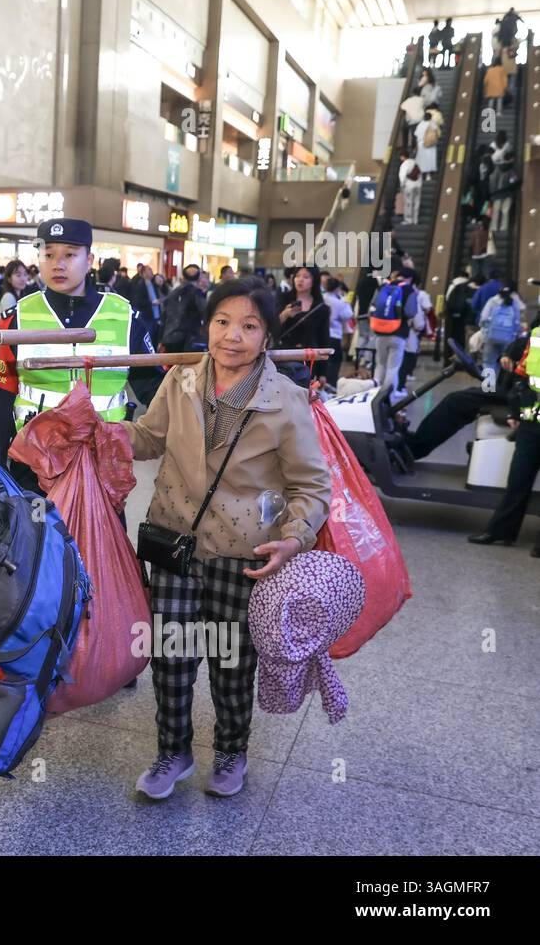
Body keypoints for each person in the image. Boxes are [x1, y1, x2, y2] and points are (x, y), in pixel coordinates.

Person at [125, 276, 330, 800]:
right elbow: (149, 437)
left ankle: (231, 752)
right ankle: (172, 752)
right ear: (207, 325)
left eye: (249, 325)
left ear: (266, 338)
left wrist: (294, 538)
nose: (231, 335)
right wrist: (98, 430)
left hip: (246, 552)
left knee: (232, 662)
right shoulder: (180, 380)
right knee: (170, 656)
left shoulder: (285, 400)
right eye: (222, 321)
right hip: (173, 539)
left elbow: (310, 485)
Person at [0, 218, 161, 467]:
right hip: (32, 464)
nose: (58, 264)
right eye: (49, 255)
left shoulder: (124, 317)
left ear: (89, 260)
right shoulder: (16, 318)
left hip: (105, 462)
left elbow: (155, 390)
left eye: (69, 254)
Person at [468, 324, 539, 555]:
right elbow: (524, 378)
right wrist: (516, 412)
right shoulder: (537, 335)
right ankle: (501, 530)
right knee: (518, 479)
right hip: (531, 422)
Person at [404, 335, 529, 461]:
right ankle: (415, 443)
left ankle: (414, 449)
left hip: (524, 396)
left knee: (456, 401)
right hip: (517, 391)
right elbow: (524, 342)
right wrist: (508, 354)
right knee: (465, 397)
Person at [370, 268, 423, 394]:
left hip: (380, 331)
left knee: (380, 364)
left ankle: (375, 392)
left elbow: (373, 305)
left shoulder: (383, 286)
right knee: (393, 366)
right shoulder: (409, 289)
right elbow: (411, 312)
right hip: (398, 332)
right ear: (410, 279)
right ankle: (390, 393)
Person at [277, 266, 332, 385]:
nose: (300, 280)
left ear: (314, 281)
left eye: (306, 277)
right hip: (283, 359)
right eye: (297, 276)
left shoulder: (321, 308)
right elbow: (270, 328)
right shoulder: (283, 299)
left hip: (309, 362)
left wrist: (323, 373)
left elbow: (324, 339)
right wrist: (285, 315)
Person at [159, 264, 209, 353]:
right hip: (188, 339)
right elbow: (206, 312)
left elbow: (164, 315)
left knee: (172, 366)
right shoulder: (197, 294)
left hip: (169, 337)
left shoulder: (173, 293)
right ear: (198, 278)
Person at [479, 281, 526, 374]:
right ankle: (501, 385)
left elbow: (483, 318)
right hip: (508, 339)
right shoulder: (514, 303)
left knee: (489, 362)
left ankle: (489, 386)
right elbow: (517, 322)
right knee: (506, 362)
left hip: (490, 337)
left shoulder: (492, 301)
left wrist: (484, 331)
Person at [322, 276, 354, 387]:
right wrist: (346, 301)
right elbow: (348, 315)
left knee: (323, 360)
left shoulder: (321, 298)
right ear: (337, 288)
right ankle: (331, 383)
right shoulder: (339, 302)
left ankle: (321, 383)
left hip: (321, 333)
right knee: (335, 360)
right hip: (334, 334)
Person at [443, 270, 474, 357]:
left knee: (451, 335)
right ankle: (462, 354)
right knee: (462, 336)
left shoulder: (452, 285)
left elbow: (447, 298)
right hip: (465, 315)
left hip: (451, 314)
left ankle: (450, 354)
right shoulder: (467, 287)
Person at [130, 262, 164, 341]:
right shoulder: (140, 284)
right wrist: (152, 303)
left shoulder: (153, 284)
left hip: (155, 316)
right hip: (147, 316)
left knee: (154, 338)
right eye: (149, 270)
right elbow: (139, 301)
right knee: (148, 338)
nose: (151, 272)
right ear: (144, 273)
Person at [398, 149, 423, 223]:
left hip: (409, 186)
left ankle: (408, 220)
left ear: (402, 157)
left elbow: (402, 176)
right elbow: (419, 174)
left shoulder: (404, 164)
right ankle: (415, 220)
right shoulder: (415, 163)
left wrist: (402, 186)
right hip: (418, 186)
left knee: (408, 203)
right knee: (416, 202)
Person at [413, 110, 439, 176]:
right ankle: (429, 174)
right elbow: (436, 132)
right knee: (430, 158)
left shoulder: (420, 124)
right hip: (430, 143)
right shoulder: (432, 123)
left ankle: (421, 173)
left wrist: (416, 146)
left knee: (422, 159)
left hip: (421, 143)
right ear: (430, 117)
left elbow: (416, 135)